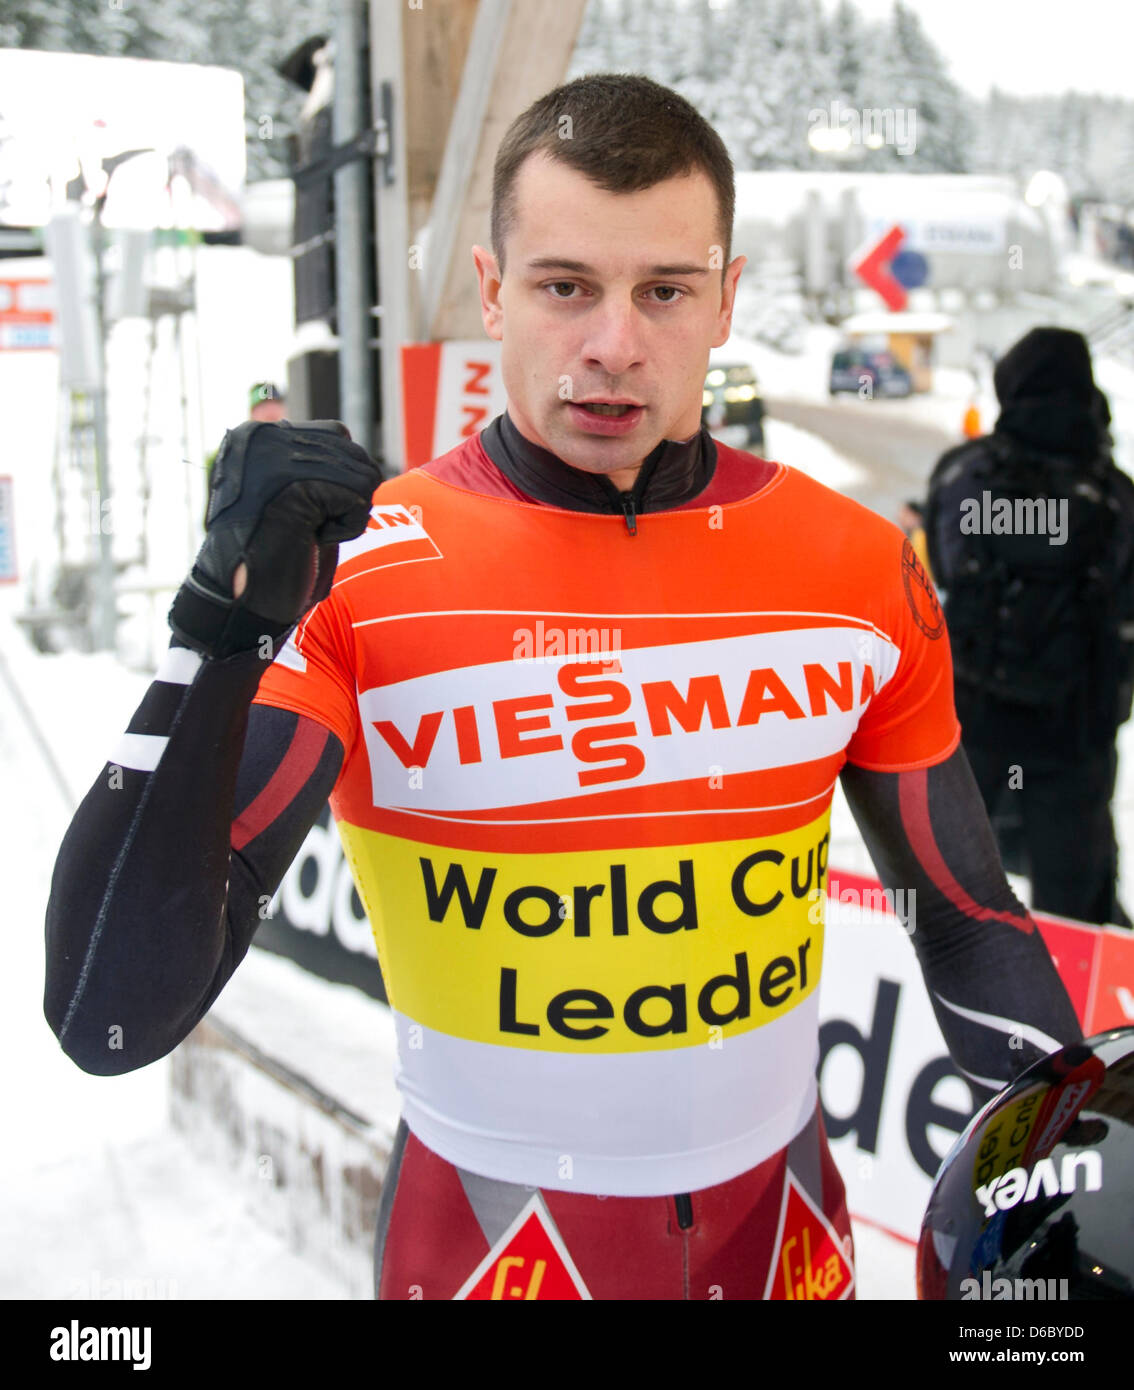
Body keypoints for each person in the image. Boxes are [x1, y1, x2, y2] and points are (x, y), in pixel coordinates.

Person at [45, 74, 1083, 1301]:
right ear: (492, 290)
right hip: (489, 1247)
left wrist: (1082, 1156)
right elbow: (110, 1015)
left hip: (787, 1243)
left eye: (664, 290)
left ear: (725, 301)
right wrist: (215, 630)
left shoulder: (853, 563)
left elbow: (964, 919)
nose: (613, 344)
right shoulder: (356, 572)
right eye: (564, 286)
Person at [926, 328, 1134, 929]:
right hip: (1074, 735)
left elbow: (943, 570)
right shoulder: (1115, 494)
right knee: (1076, 902)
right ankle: (1079, 1011)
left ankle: (949, 1003)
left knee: (953, 888)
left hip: (972, 721)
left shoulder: (963, 472)